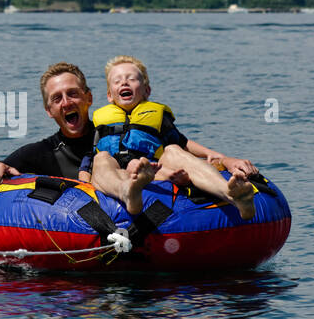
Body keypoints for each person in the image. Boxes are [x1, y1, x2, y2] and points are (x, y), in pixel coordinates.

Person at [84, 55, 258, 220]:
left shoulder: (157, 116)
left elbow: (182, 142)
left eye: (132, 79)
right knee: (101, 158)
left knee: (172, 149)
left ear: (146, 90)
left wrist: (216, 156)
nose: (124, 82)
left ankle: (233, 195)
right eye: (117, 80)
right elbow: (89, 155)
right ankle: (127, 191)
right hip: (117, 170)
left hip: (152, 166)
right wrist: (82, 182)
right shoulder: (100, 121)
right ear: (109, 95)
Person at [0, 62, 95, 193]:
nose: (66, 103)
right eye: (57, 98)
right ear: (49, 111)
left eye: (72, 93)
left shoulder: (112, 137)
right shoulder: (41, 153)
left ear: (89, 98)